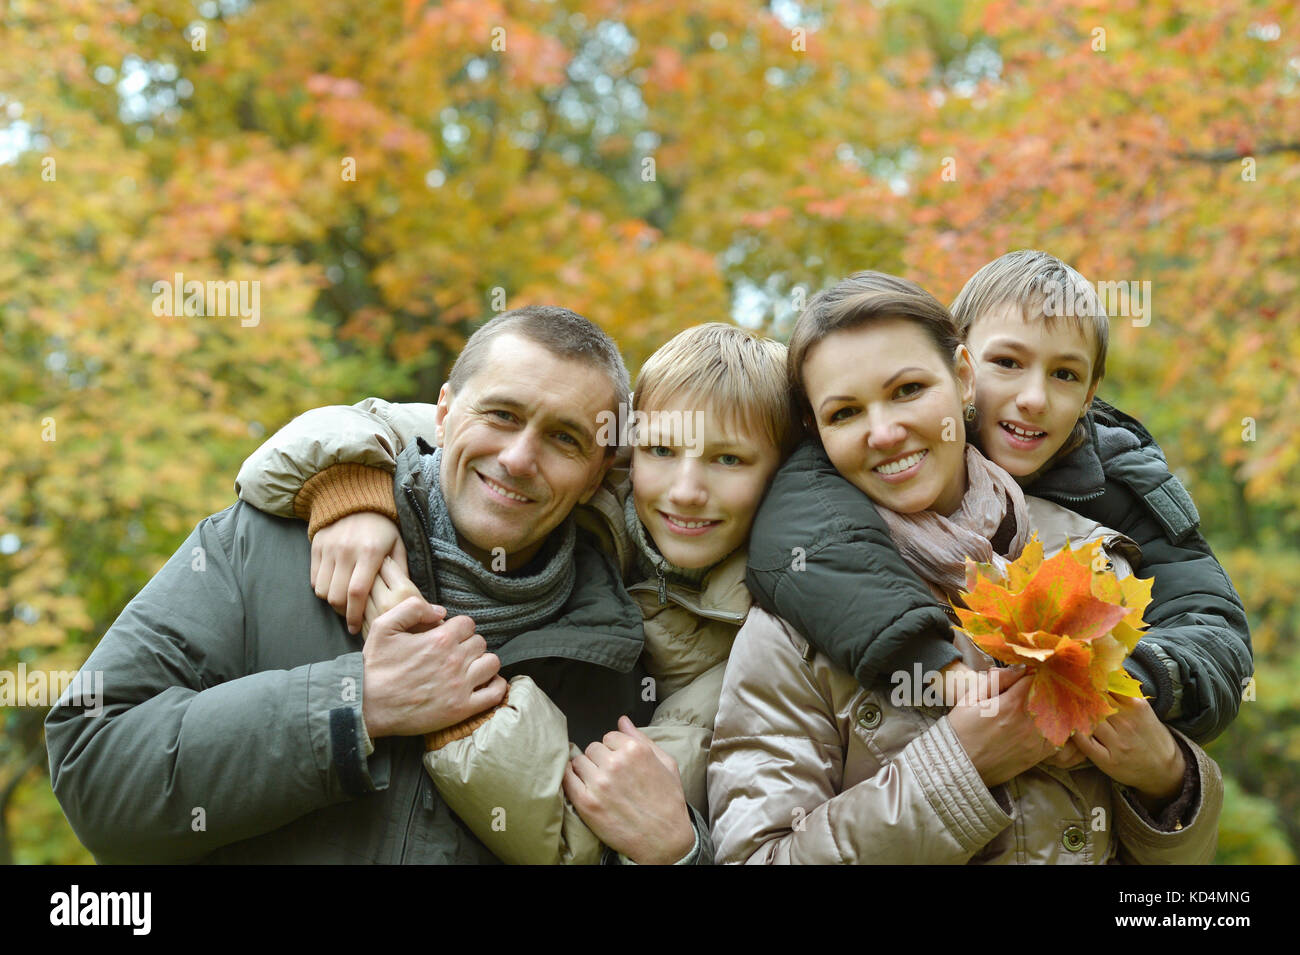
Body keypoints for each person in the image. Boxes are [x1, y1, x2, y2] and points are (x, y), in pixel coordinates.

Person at [45, 305, 710, 864]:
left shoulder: (627, 656)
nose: (518, 457)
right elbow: (92, 762)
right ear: (444, 411)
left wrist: (683, 854)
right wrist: (355, 702)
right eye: (502, 414)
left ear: (598, 474)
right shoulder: (268, 541)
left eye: (563, 438)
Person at [231, 323, 799, 863]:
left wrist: (453, 697)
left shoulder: (760, 646)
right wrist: (350, 487)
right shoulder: (597, 489)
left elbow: (574, 837)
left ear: (784, 476)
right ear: (625, 454)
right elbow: (380, 421)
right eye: (662, 452)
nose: (686, 490)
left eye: (729, 460)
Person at [706, 274, 1223, 864]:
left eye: (907, 390)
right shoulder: (792, 625)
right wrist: (958, 769)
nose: (884, 431)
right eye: (846, 412)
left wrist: (1167, 777)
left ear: (963, 378)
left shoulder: (1101, 562)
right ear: (817, 433)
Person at [743, 254, 1251, 745]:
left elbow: (1210, 624)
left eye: (1065, 374)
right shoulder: (871, 445)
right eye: (1007, 362)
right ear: (962, 366)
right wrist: (930, 662)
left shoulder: (1118, 481)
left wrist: (1123, 681)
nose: (1034, 398)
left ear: (1090, 393)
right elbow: (803, 529)